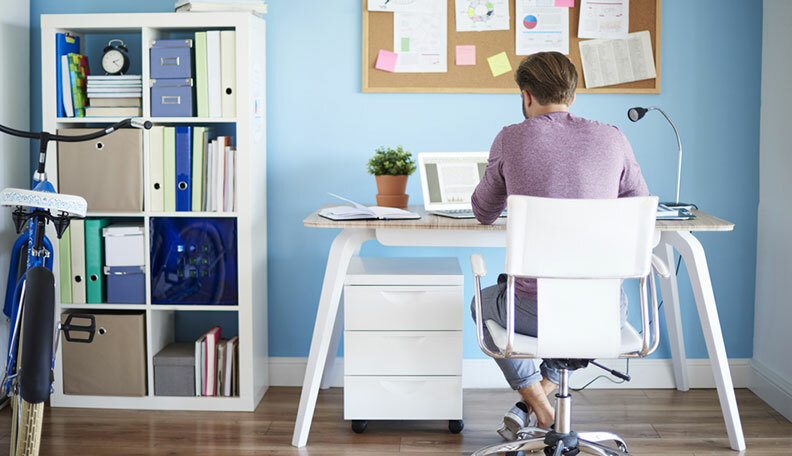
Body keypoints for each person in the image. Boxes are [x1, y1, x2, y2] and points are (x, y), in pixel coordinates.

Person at [470, 51, 650, 440]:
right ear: (572, 94)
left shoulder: (510, 138)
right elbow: (639, 210)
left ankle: (538, 407)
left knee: (480, 302)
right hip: (604, 311)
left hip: (531, 313)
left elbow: (483, 211)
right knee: (579, 322)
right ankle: (541, 407)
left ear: (527, 95)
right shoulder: (614, 137)